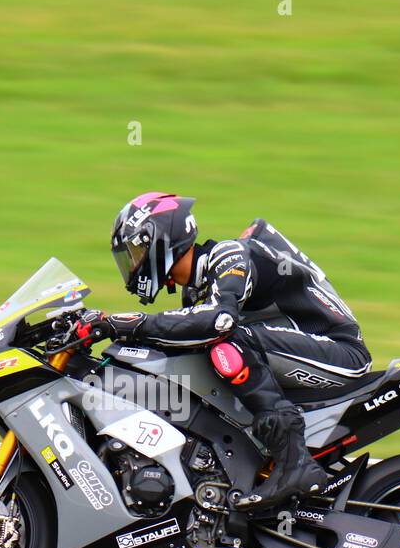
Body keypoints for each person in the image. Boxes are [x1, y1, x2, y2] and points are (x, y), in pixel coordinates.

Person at [86, 192, 372, 510]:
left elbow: (219, 320)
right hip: (286, 353)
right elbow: (182, 331)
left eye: (135, 252)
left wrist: (127, 323)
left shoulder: (229, 255)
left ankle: (295, 464)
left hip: (338, 351)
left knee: (227, 338)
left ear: (160, 240)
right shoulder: (195, 293)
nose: (133, 264)